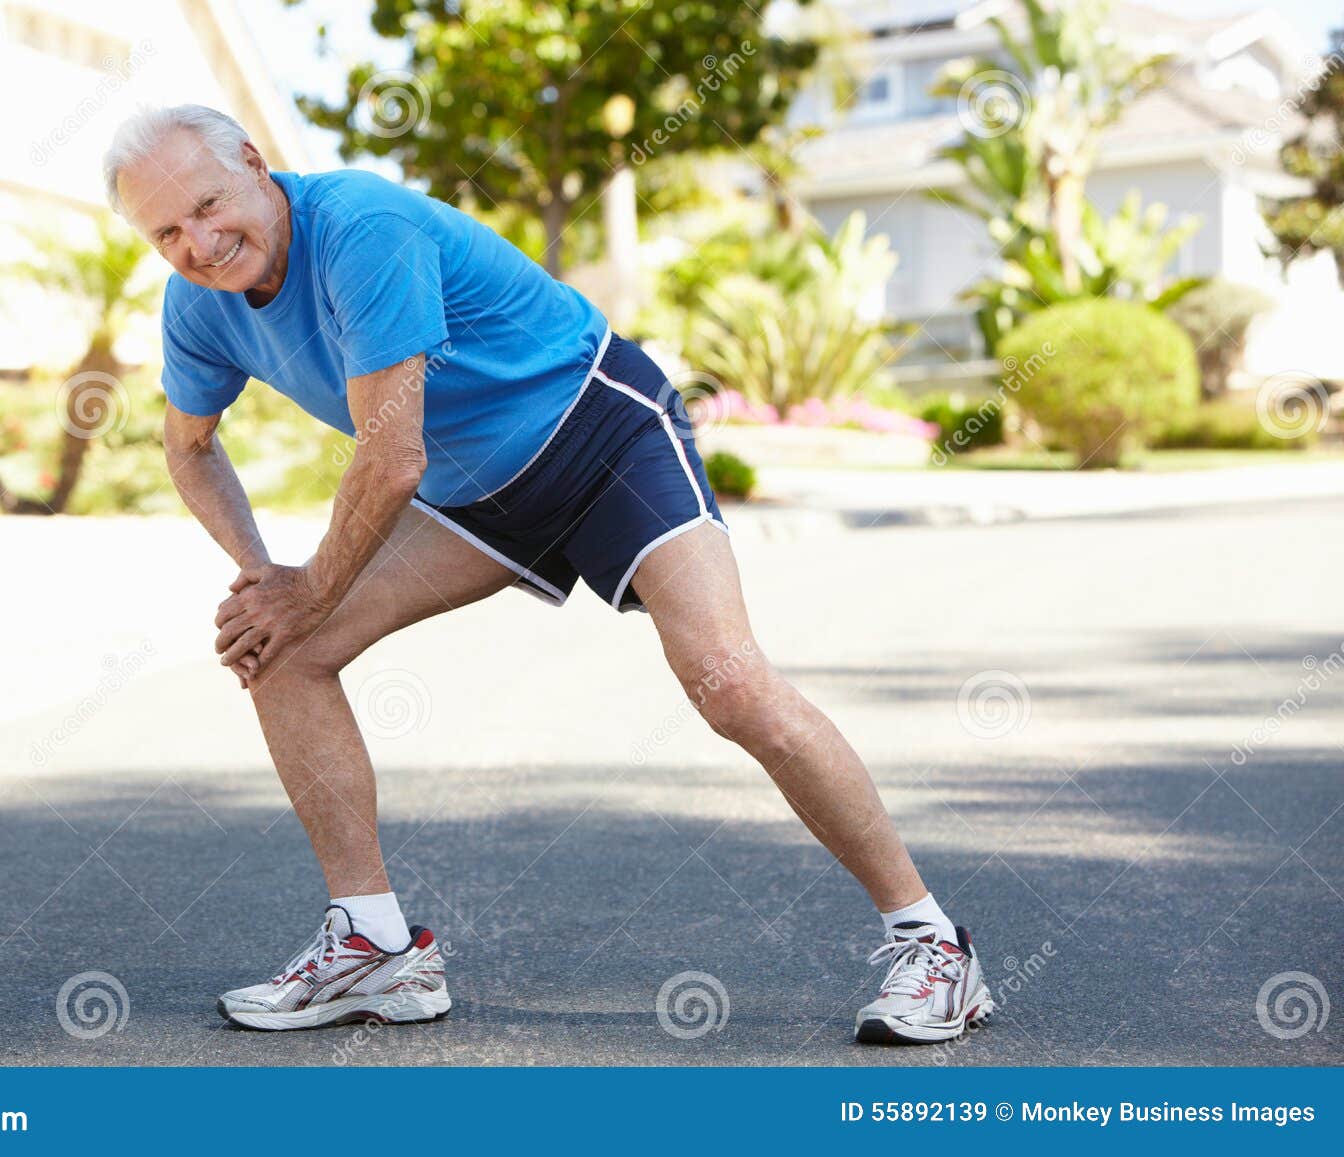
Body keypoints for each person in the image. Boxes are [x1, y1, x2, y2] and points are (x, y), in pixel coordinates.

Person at [102, 104, 993, 1044]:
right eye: (167, 231)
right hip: (476, 491)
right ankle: (375, 948)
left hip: (600, 433)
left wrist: (309, 585)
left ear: (252, 161)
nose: (199, 242)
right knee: (281, 650)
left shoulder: (361, 229)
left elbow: (390, 456)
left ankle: (933, 944)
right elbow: (190, 449)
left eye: (208, 204)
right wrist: (265, 579)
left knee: (730, 684)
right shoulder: (196, 307)